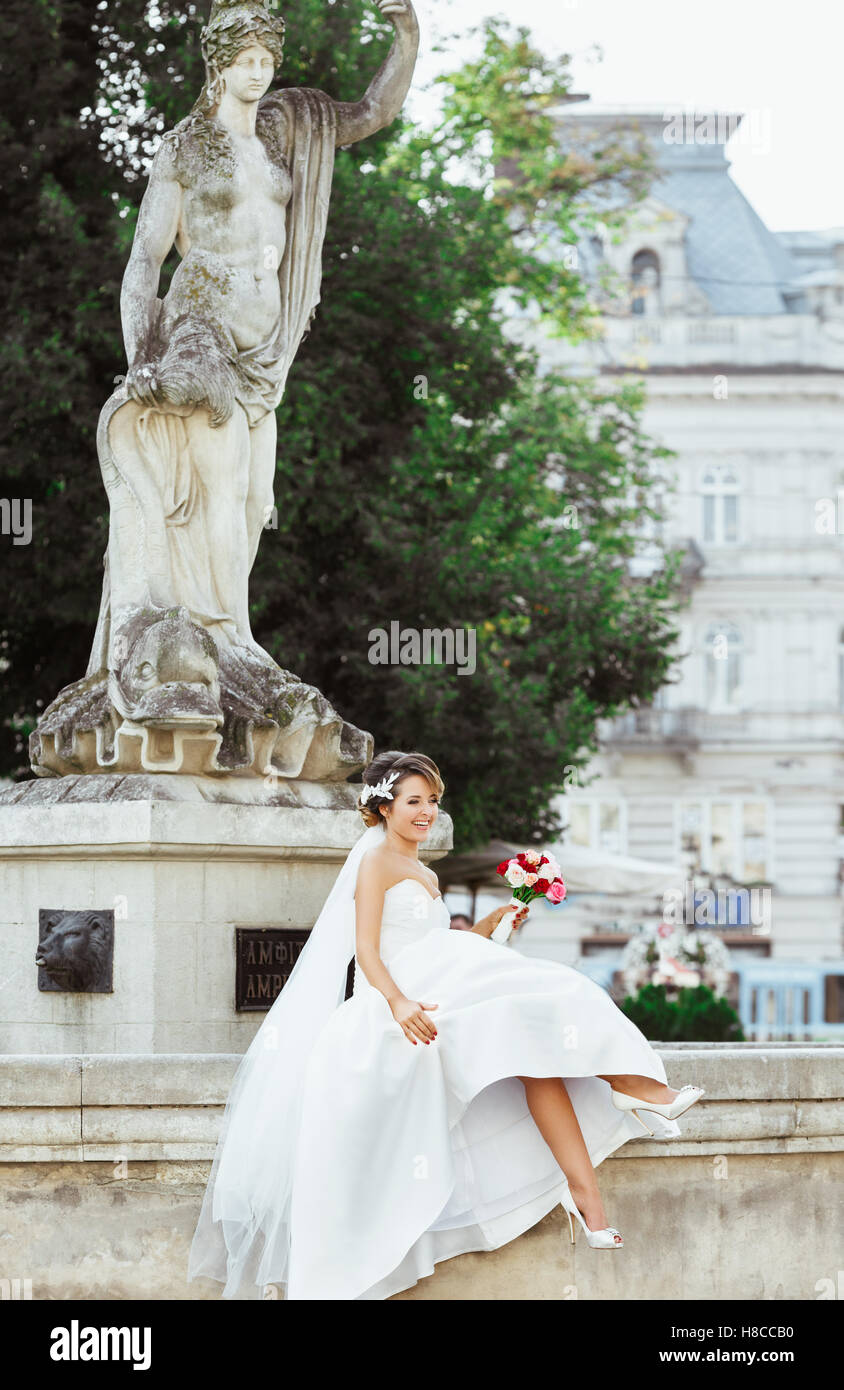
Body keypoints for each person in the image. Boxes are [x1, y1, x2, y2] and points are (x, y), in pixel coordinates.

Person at [188, 750, 705, 1300]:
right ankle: (632, 1088)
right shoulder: (377, 863)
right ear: (384, 808)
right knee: (547, 1000)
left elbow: (440, 945)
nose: (426, 811)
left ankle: (592, 1193)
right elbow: (365, 949)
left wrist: (494, 921)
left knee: (541, 1047)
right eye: (414, 801)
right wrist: (398, 1002)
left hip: (437, 984)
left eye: (432, 801)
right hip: (400, 1004)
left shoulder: (426, 874)